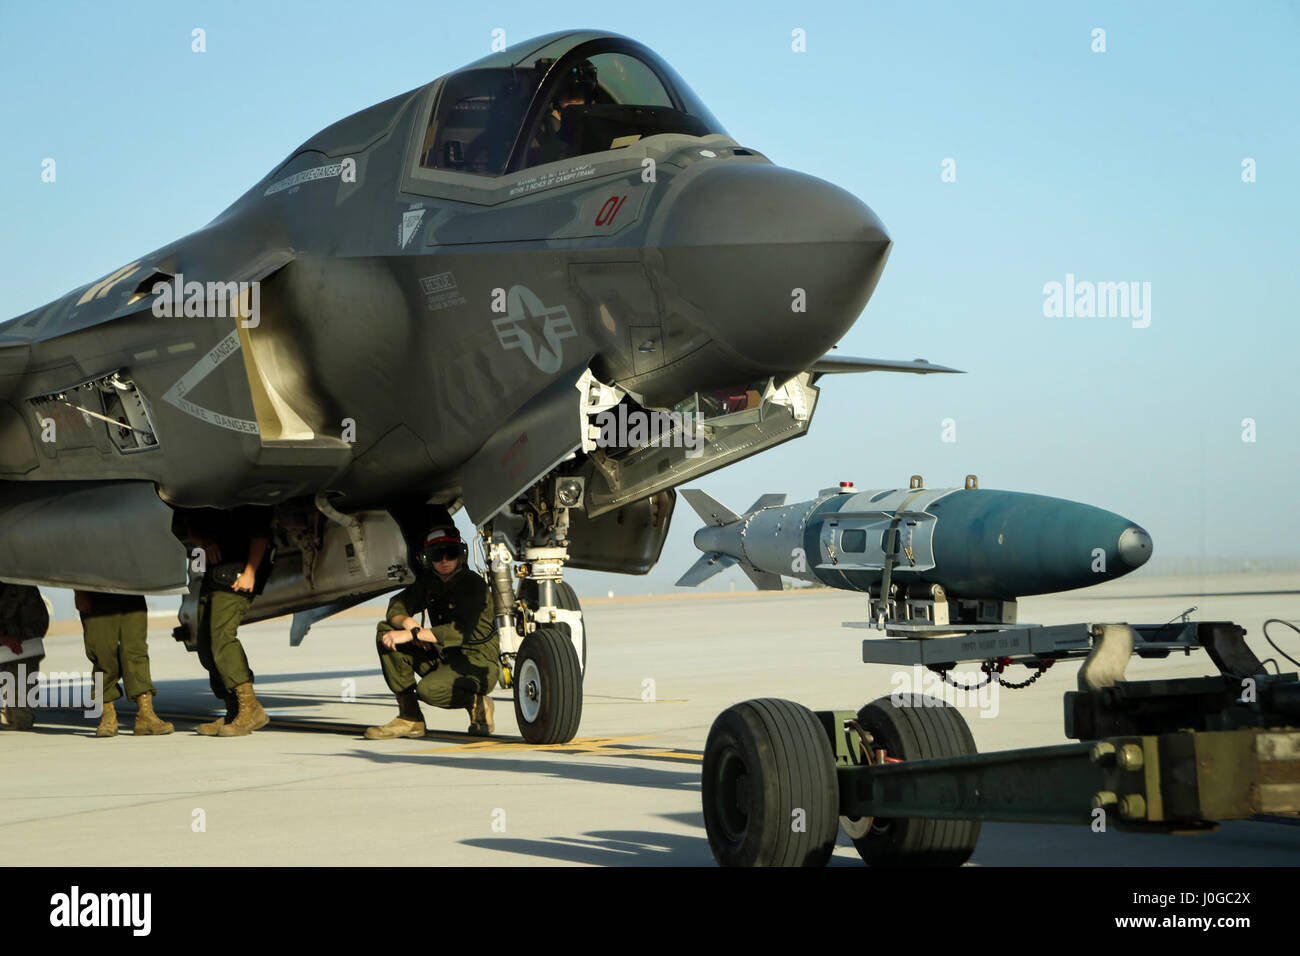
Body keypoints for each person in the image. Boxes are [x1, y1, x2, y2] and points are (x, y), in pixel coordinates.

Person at [366, 524, 499, 739]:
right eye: (437, 555)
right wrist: (408, 622)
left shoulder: (473, 586)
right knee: (387, 632)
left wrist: (414, 634)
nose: (444, 561)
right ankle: (410, 718)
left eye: (450, 554)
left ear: (460, 555)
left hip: (476, 661)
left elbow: (459, 632)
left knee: (429, 690)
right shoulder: (430, 582)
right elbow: (397, 605)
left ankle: (477, 703)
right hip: (444, 654)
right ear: (428, 558)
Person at [180, 506, 275, 737]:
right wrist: (203, 541)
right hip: (214, 577)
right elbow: (188, 523)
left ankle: (250, 708)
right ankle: (233, 710)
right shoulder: (206, 499)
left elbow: (261, 535)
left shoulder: (244, 496)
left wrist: (250, 571)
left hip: (238, 576)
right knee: (205, 645)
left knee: (222, 638)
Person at [76, 590, 172, 737]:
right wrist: (79, 592)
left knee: (136, 649)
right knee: (102, 652)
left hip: (131, 589)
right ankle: (107, 714)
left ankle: (146, 713)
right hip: (96, 591)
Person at [0, 582, 48, 732]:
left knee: (21, 720)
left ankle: (14, 711)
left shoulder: (22, 587)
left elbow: (39, 624)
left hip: (18, 652)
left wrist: (17, 640)